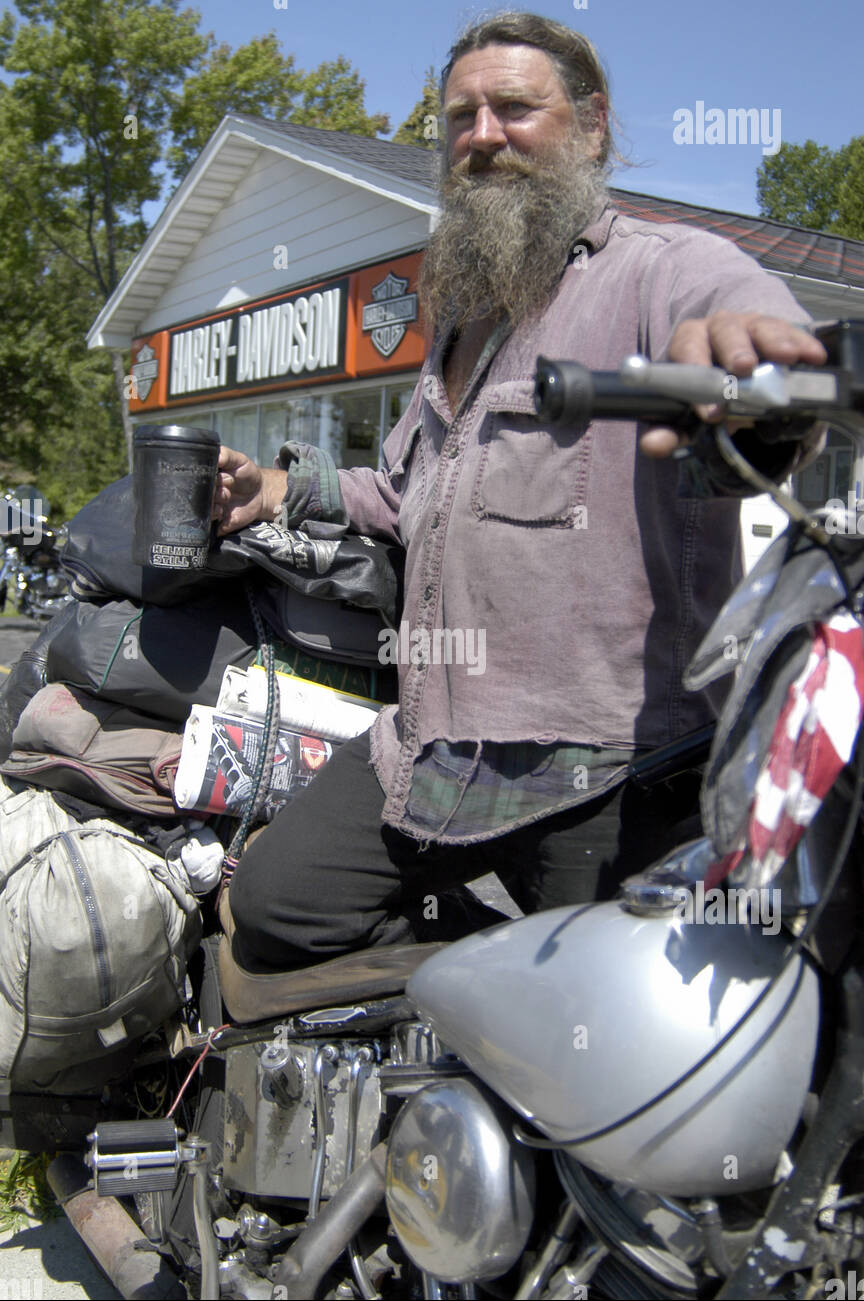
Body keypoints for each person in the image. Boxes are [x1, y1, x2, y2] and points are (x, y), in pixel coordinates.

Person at [213, 13, 827, 970]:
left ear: (592, 127)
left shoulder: (663, 272)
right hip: (428, 749)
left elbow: (749, 328)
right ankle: (479, 1003)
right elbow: (413, 492)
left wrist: (753, 377)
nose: (483, 136)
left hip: (603, 771)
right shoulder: (463, 311)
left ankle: (516, 1025)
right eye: (461, 117)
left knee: (614, 1043)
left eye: (514, 109)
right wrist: (283, 486)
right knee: (277, 904)